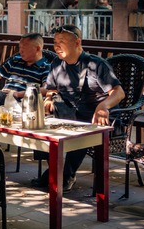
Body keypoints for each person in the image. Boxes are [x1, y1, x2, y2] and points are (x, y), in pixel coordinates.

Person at [32, 25, 125, 192]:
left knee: (81, 127)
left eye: (62, 42)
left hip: (96, 115)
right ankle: (55, 170)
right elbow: (51, 88)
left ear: (77, 42)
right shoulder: (56, 63)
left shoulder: (95, 64)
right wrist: (48, 98)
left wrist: (103, 106)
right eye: (54, 42)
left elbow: (119, 93)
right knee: (39, 124)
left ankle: (66, 174)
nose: (56, 46)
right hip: (69, 111)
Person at [0, 33, 50, 107]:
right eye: (20, 47)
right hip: (4, 98)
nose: (21, 51)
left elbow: (46, 89)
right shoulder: (16, 60)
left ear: (37, 49)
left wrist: (20, 94)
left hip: (24, 103)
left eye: (24, 48)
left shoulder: (45, 67)